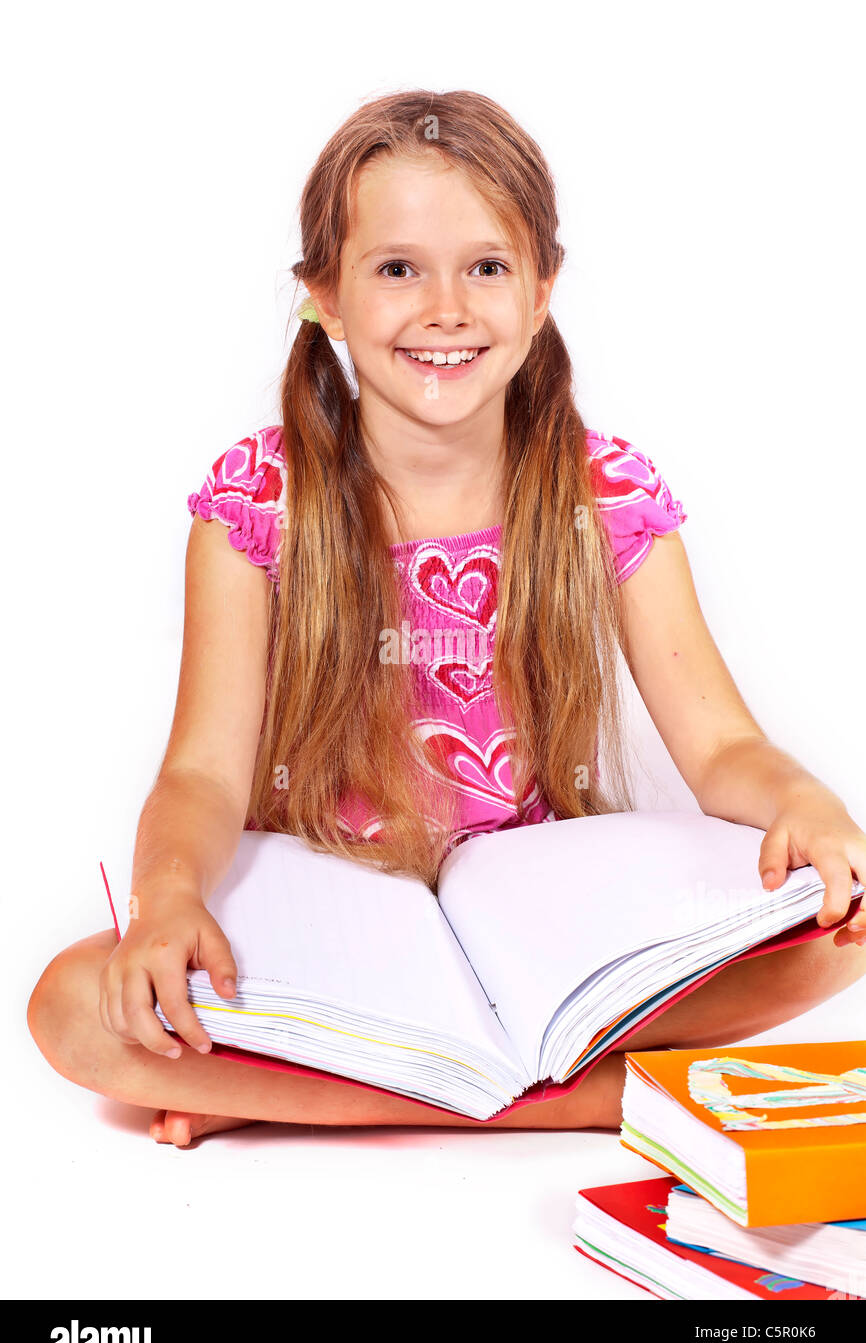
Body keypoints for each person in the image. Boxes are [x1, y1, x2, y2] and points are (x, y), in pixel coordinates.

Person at [27, 89, 866, 1148]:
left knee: (841, 935)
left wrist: (807, 804)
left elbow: (724, 745)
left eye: (484, 265)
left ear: (541, 290)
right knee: (69, 1000)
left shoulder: (602, 494)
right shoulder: (256, 504)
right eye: (395, 269)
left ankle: (312, 1094)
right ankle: (587, 1095)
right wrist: (167, 901)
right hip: (337, 924)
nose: (445, 307)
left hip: (531, 928)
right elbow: (201, 774)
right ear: (324, 297)